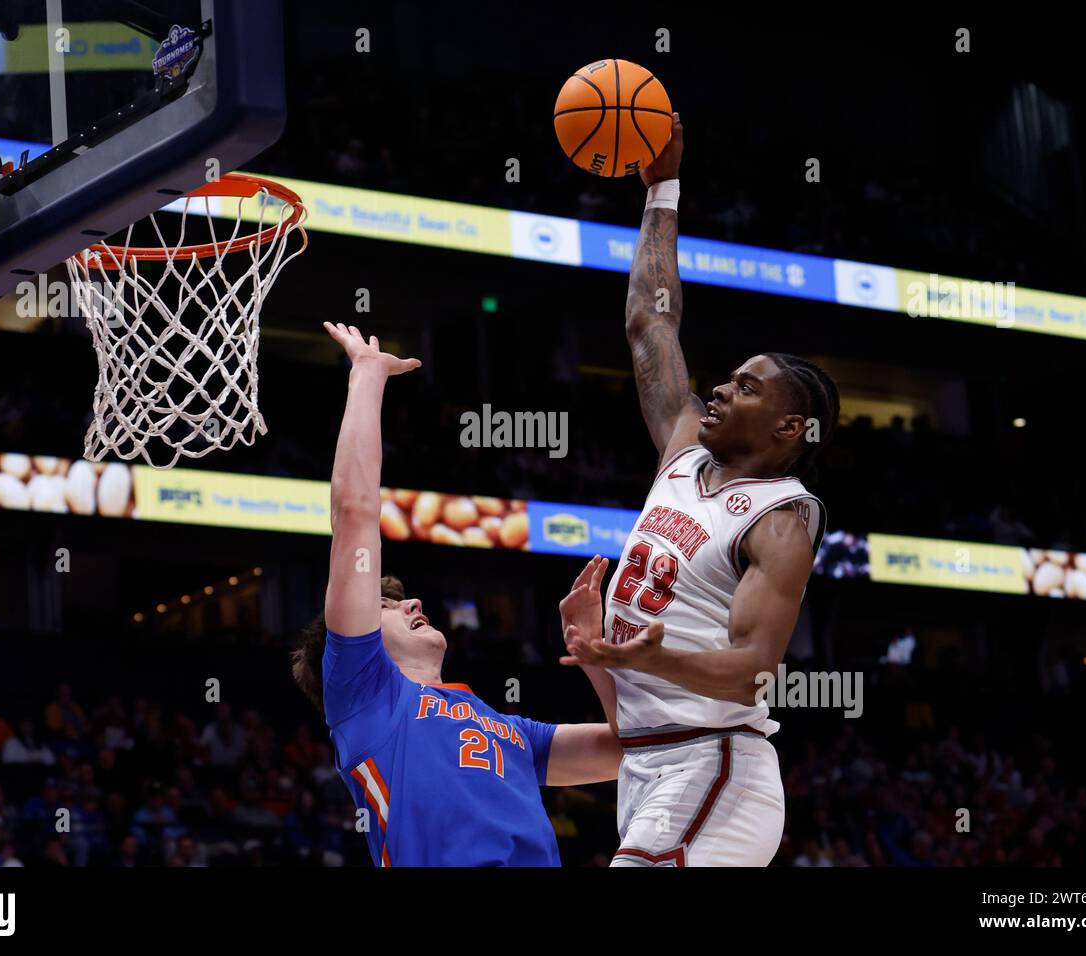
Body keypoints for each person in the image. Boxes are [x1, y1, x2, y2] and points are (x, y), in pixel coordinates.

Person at [561, 114, 838, 866]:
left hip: (714, 763)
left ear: (788, 429)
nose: (718, 388)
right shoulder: (683, 454)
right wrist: (662, 188)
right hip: (648, 764)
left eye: (746, 388)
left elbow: (752, 667)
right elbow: (652, 326)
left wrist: (638, 655)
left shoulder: (780, 521)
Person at [290, 322, 621, 866]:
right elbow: (354, 516)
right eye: (386, 605)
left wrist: (597, 654)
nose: (412, 603)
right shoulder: (367, 696)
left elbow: (634, 745)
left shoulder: (510, 731)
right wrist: (368, 377)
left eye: (402, 598)